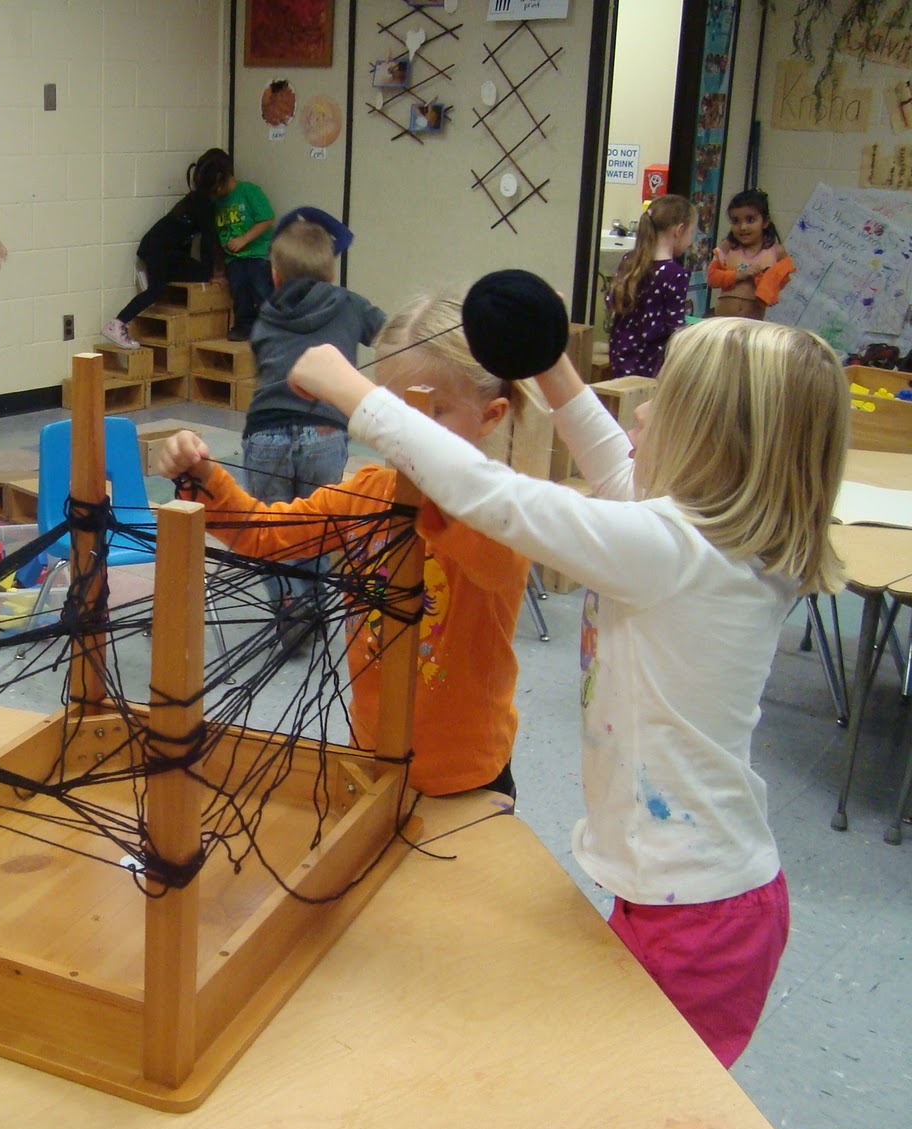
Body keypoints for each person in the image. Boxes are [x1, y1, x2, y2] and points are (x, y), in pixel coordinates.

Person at [286, 315, 848, 1067]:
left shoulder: (670, 552)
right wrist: (552, 365)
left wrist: (357, 396)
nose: (638, 413)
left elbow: (498, 499)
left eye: (663, 401)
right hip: (695, 892)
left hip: (696, 916)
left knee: (637, 1106)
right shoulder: (715, 544)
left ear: (712, 442)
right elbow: (615, 461)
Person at [151, 292, 530, 799]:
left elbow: (494, 556)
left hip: (467, 773)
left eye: (431, 415)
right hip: (371, 754)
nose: (405, 435)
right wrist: (201, 473)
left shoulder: (505, 514)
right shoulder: (367, 492)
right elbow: (264, 533)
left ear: (492, 415)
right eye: (393, 412)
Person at [241, 208, 385, 646]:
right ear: (330, 270)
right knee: (321, 528)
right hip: (324, 432)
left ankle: (291, 605)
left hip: (265, 433)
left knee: (271, 531)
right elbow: (393, 334)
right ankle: (313, 610)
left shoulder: (264, 315)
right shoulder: (348, 303)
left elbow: (261, 370)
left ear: (276, 275)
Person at [101, 149, 228, 350]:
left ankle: (120, 320)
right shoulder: (204, 204)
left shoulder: (194, 199)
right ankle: (117, 323)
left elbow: (185, 238)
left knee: (182, 277)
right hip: (158, 248)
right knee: (158, 288)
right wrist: (211, 273)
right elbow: (207, 241)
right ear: (220, 181)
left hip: (162, 248)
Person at [606, 194, 695, 377]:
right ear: (679, 230)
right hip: (651, 361)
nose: (691, 241)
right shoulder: (675, 274)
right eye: (691, 234)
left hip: (621, 353)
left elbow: (611, 300)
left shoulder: (630, 261)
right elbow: (675, 326)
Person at [203, 149, 275, 340]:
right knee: (239, 292)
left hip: (256, 254)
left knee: (261, 291)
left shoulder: (248, 191)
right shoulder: (218, 203)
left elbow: (267, 219)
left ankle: (271, 327)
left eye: (215, 187)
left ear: (222, 176)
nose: (215, 193)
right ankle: (244, 327)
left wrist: (244, 239)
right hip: (233, 258)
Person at [706, 188, 794, 320]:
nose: (743, 227)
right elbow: (712, 278)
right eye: (736, 221)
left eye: (750, 220)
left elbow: (781, 282)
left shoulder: (777, 252)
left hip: (752, 326)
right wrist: (738, 275)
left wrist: (764, 280)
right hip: (723, 321)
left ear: (765, 222)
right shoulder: (728, 246)